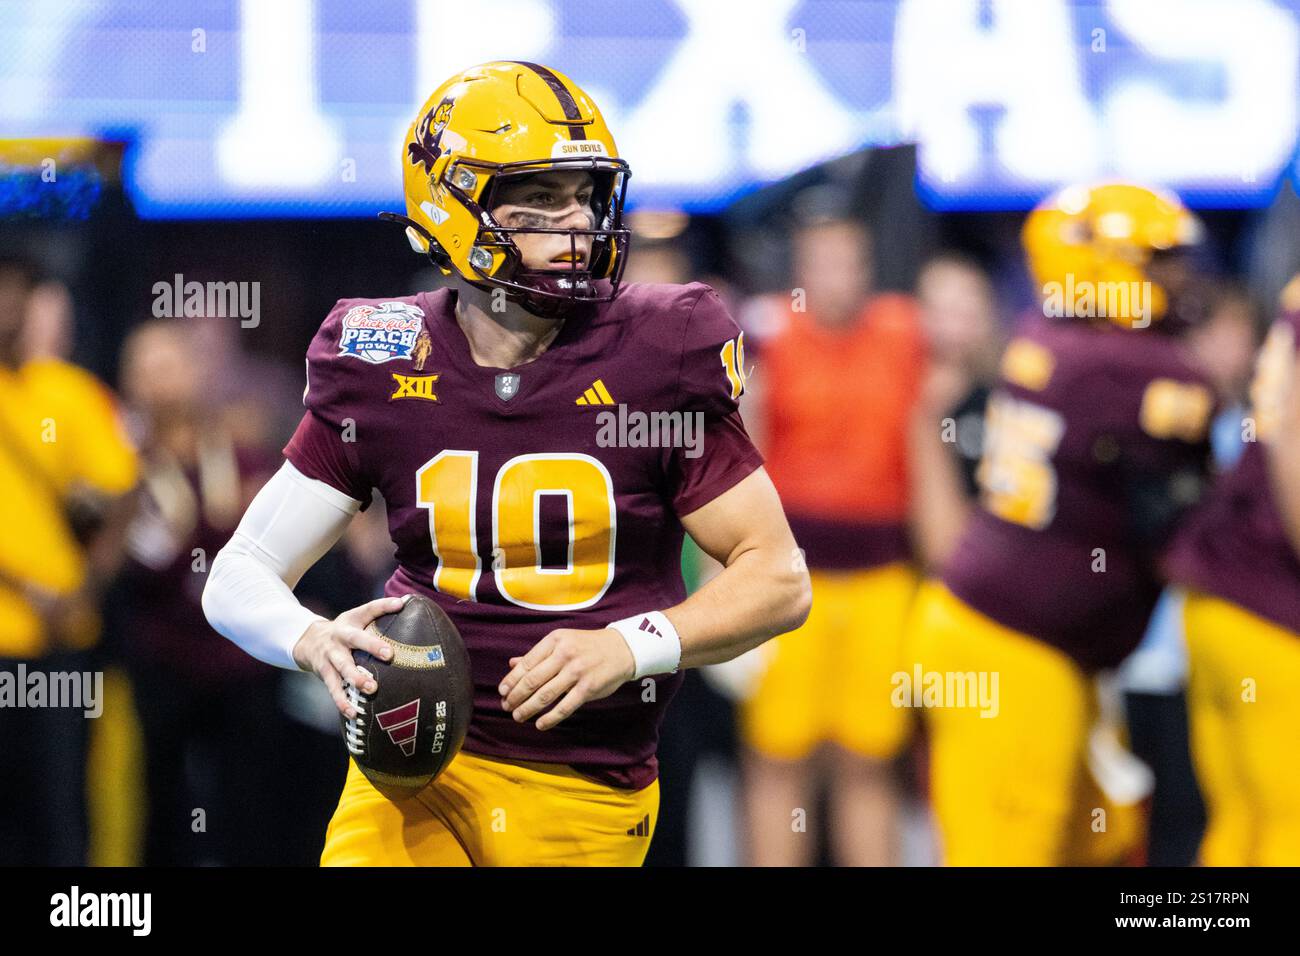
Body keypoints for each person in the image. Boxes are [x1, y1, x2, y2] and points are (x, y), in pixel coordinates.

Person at [202, 61, 811, 867]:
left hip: (581, 783)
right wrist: (313, 639)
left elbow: (778, 578)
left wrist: (630, 644)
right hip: (410, 768)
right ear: (451, 209)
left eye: (587, 198)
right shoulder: (384, 358)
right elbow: (238, 573)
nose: (577, 226)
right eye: (541, 201)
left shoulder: (660, 350)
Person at [906, 183, 1218, 865]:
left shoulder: (1049, 336)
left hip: (1020, 640)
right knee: (1013, 851)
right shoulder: (1131, 368)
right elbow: (1196, 437)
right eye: (1159, 259)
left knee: (1094, 843)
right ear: (1104, 265)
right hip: (1013, 650)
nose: (1180, 276)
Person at [737, 212, 925, 866]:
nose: (838, 278)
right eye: (823, 262)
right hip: (791, 581)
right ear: (801, 272)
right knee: (776, 757)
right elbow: (746, 456)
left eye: (850, 262)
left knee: (870, 761)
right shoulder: (769, 340)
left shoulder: (903, 334)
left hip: (883, 577)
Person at [0, 253, 138, 865]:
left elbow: (122, 491)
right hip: (14, 625)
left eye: (15, 292)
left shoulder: (71, 391)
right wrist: (25, 586)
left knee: (62, 815)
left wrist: (88, 584)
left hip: (61, 641)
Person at [1163, 274, 1300, 865]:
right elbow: (1293, 438)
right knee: (1288, 824)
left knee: (1239, 823)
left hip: (1220, 600)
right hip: (1268, 605)